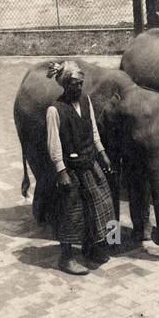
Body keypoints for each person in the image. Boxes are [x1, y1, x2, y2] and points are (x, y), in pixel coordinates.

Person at [44, 61, 115, 275]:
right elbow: (53, 143)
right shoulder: (54, 111)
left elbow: (93, 131)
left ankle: (92, 247)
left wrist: (102, 154)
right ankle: (66, 258)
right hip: (71, 169)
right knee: (72, 212)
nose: (78, 88)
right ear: (65, 84)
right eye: (74, 84)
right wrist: (61, 170)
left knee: (100, 205)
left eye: (81, 84)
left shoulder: (86, 101)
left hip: (89, 162)